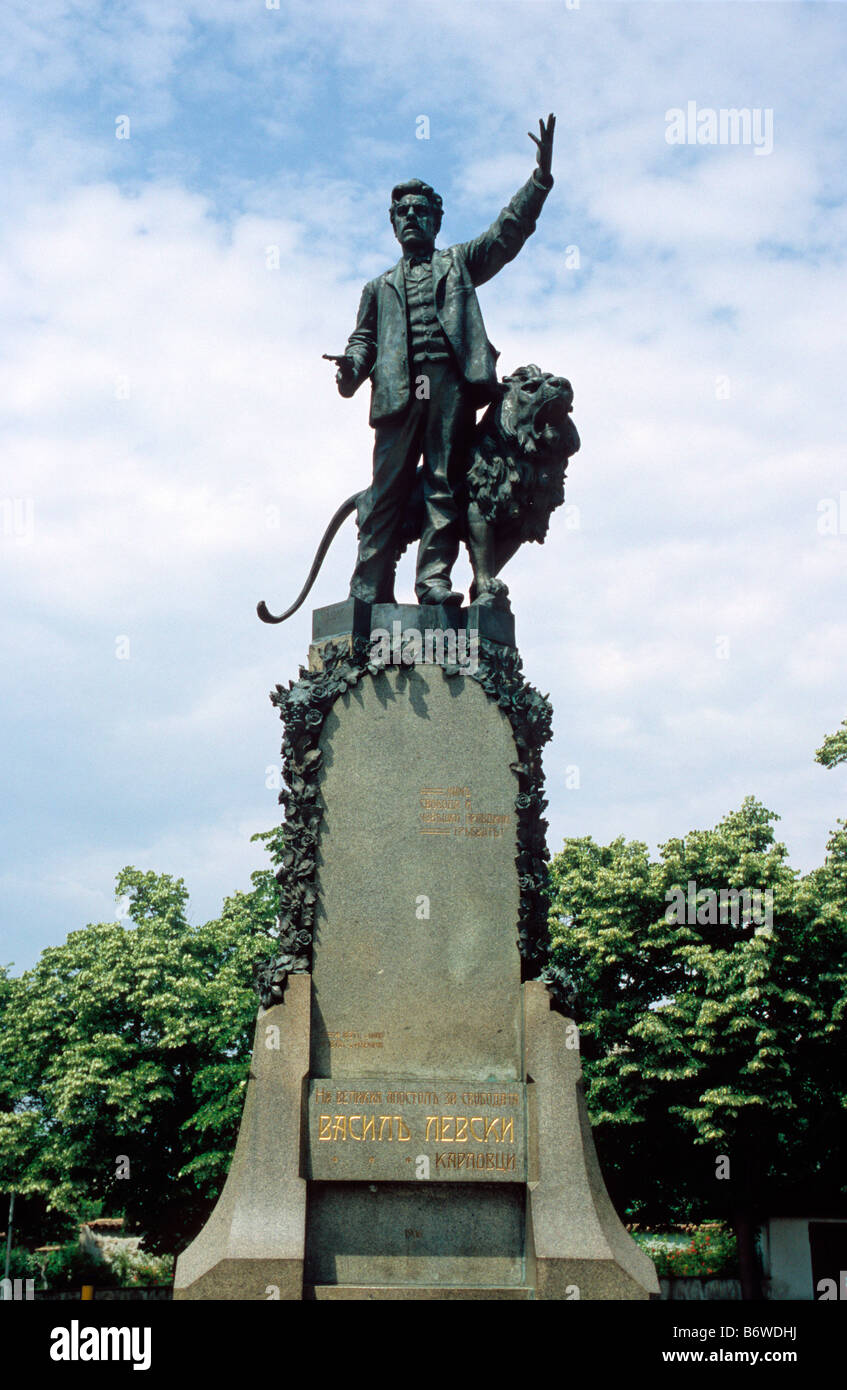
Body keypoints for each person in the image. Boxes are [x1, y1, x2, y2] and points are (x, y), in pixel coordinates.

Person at [329, 115, 556, 606]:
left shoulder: (458, 265)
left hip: (448, 385)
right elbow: (363, 341)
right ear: (393, 225)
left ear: (435, 221)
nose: (411, 217)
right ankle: (367, 588)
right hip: (397, 391)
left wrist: (538, 182)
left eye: (420, 211)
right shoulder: (377, 288)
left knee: (442, 483)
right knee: (386, 489)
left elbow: (504, 236)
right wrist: (351, 366)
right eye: (402, 213)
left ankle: (432, 581)